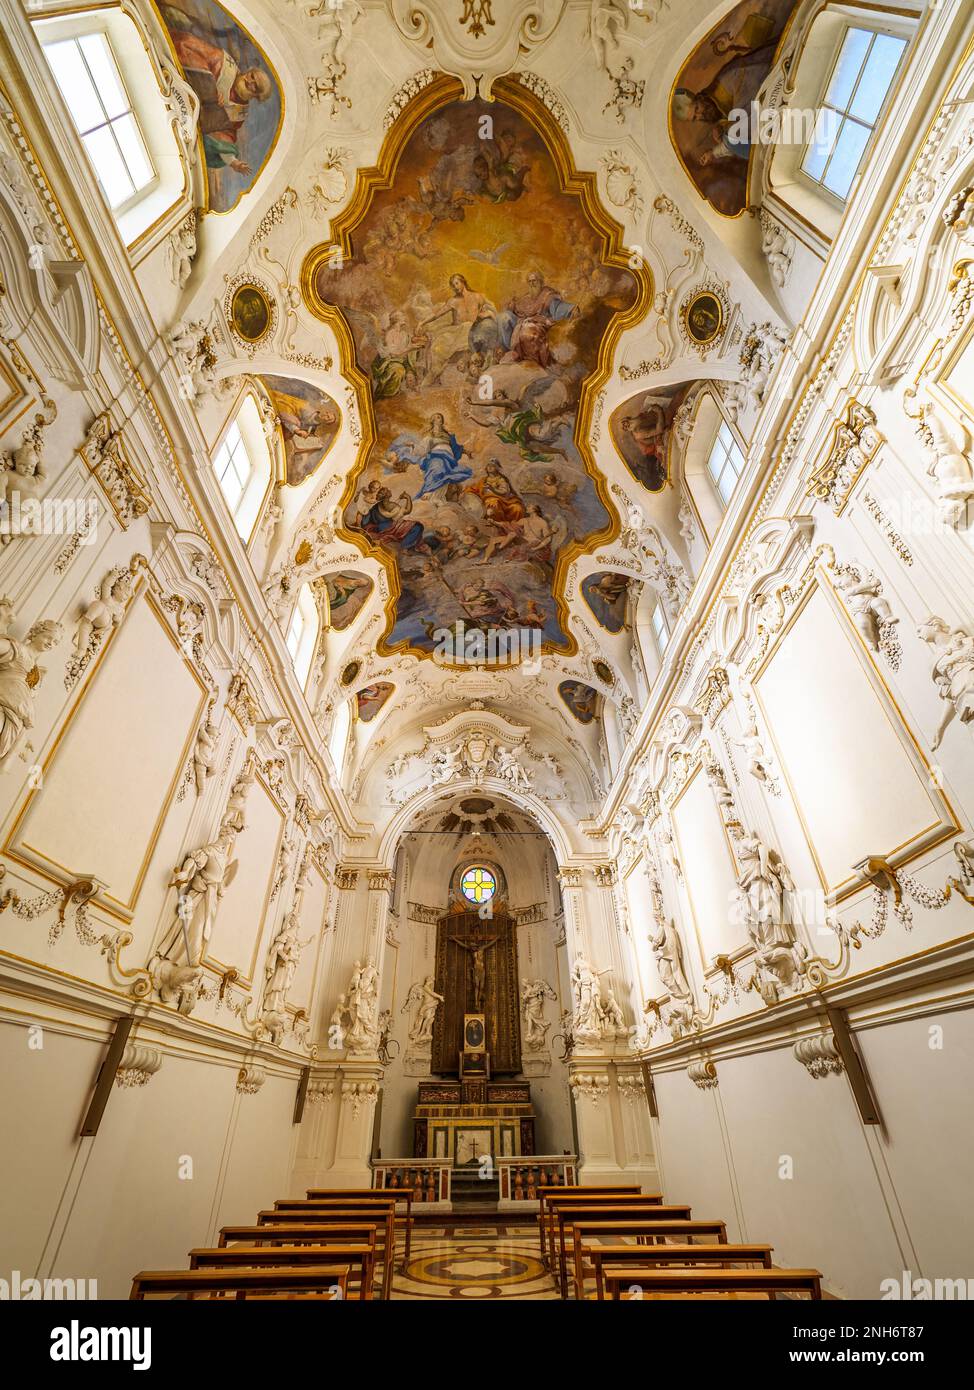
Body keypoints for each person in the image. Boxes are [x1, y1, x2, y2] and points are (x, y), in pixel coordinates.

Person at [163, 4, 273, 179]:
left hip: (187, 117)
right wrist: (211, 85)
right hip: (179, 82)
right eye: (252, 76)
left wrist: (232, 161)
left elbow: (225, 137)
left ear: (255, 96)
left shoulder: (239, 115)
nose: (249, 80)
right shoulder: (225, 65)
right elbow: (194, 46)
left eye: (254, 85)